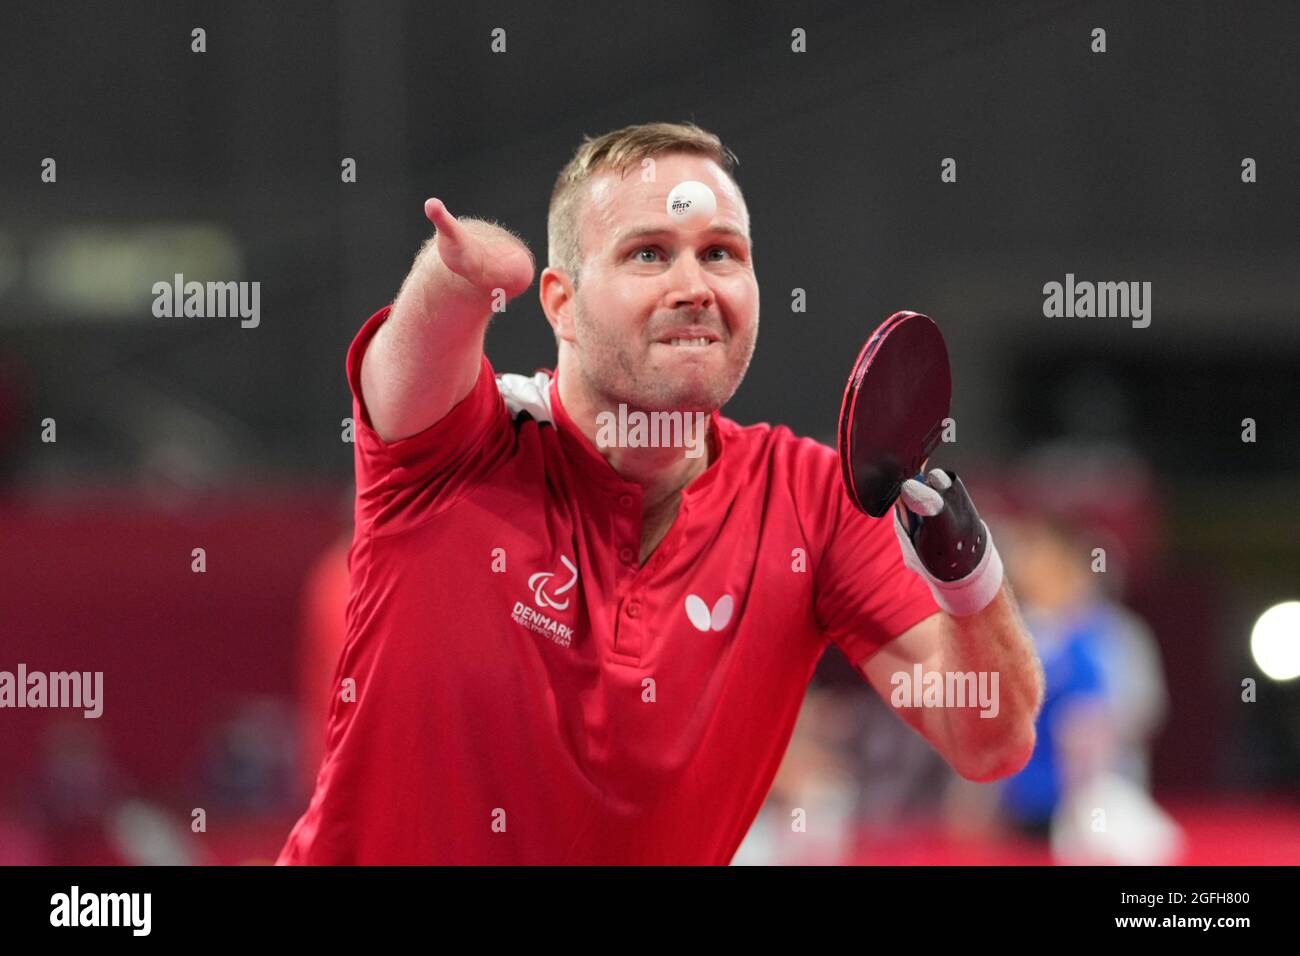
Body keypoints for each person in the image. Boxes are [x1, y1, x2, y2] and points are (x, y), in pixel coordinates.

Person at [278, 122, 1042, 864]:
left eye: (721, 254)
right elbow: (405, 366)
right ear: (559, 303)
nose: (695, 288)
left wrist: (967, 574)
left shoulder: (810, 499)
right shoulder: (464, 441)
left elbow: (990, 740)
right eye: (649, 253)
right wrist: (457, 277)